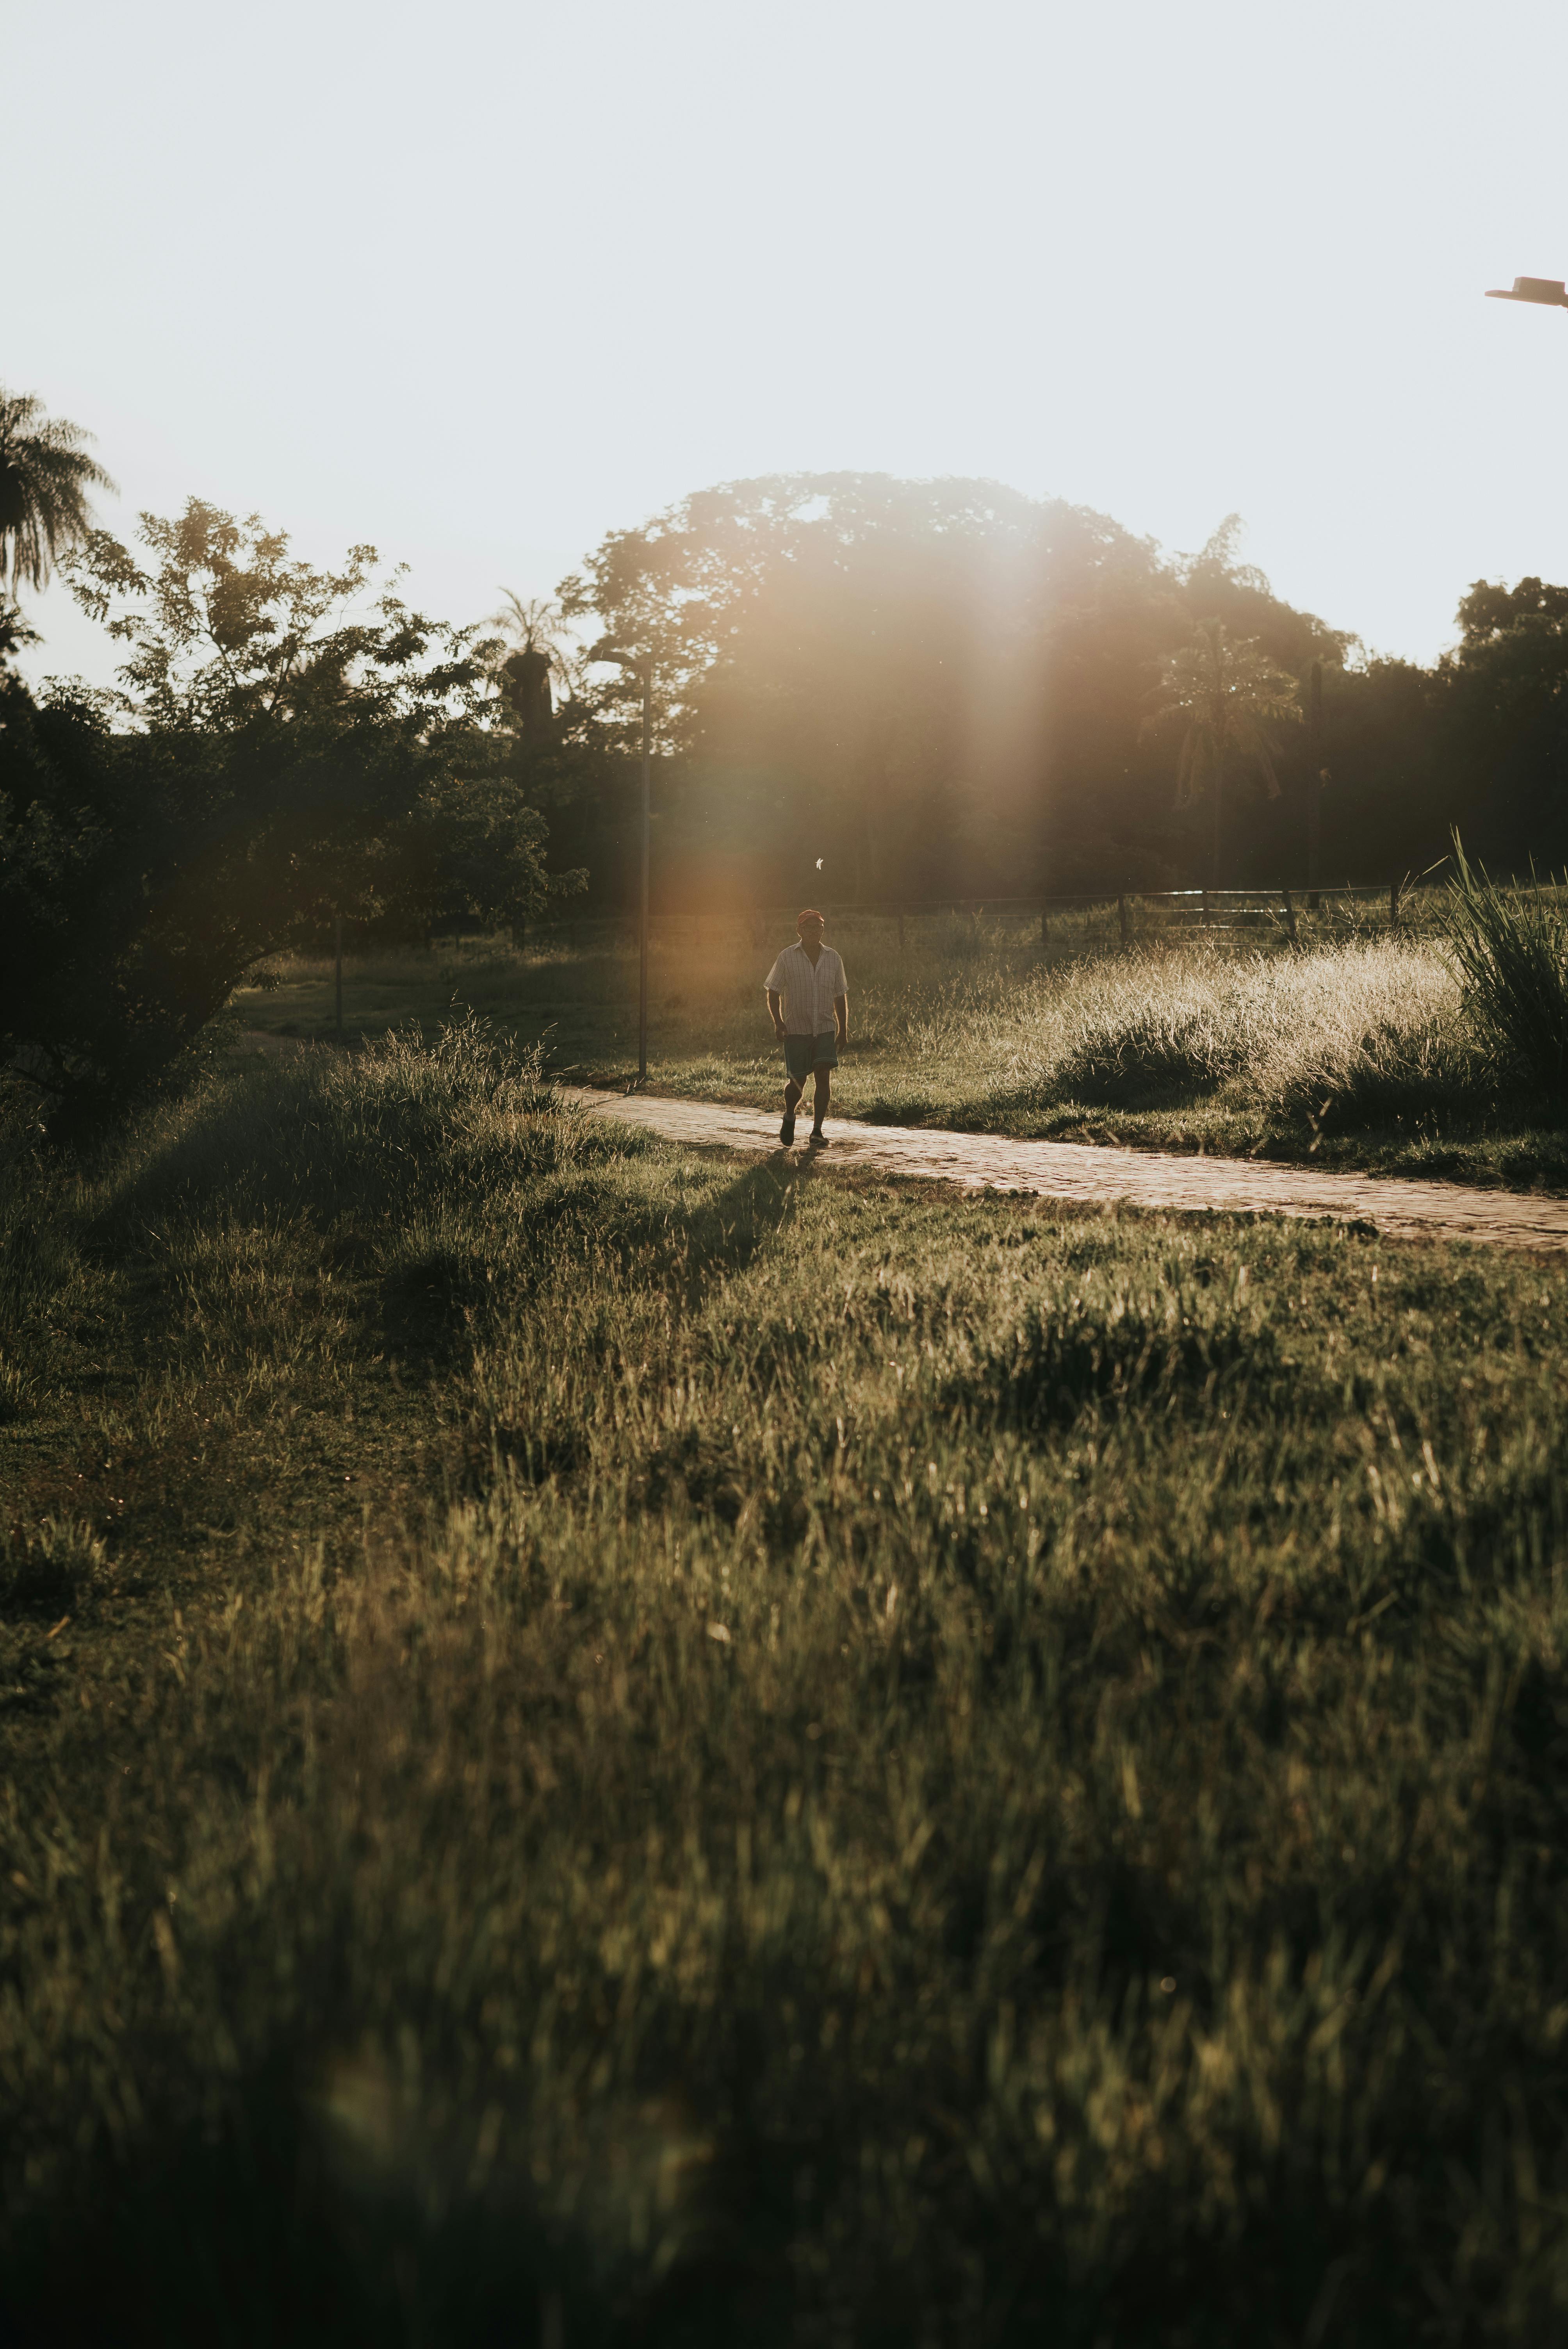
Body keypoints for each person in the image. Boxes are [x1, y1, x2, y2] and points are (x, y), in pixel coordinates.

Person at [765, 909, 849, 1148]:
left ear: (823, 930)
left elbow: (840, 995)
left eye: (819, 927)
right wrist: (778, 1023)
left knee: (823, 1075)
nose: (815, 931)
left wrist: (843, 1030)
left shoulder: (834, 958)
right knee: (797, 1083)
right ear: (799, 930)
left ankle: (817, 1131)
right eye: (809, 927)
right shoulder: (786, 957)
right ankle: (790, 1114)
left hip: (824, 1028)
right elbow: (773, 991)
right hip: (796, 1029)